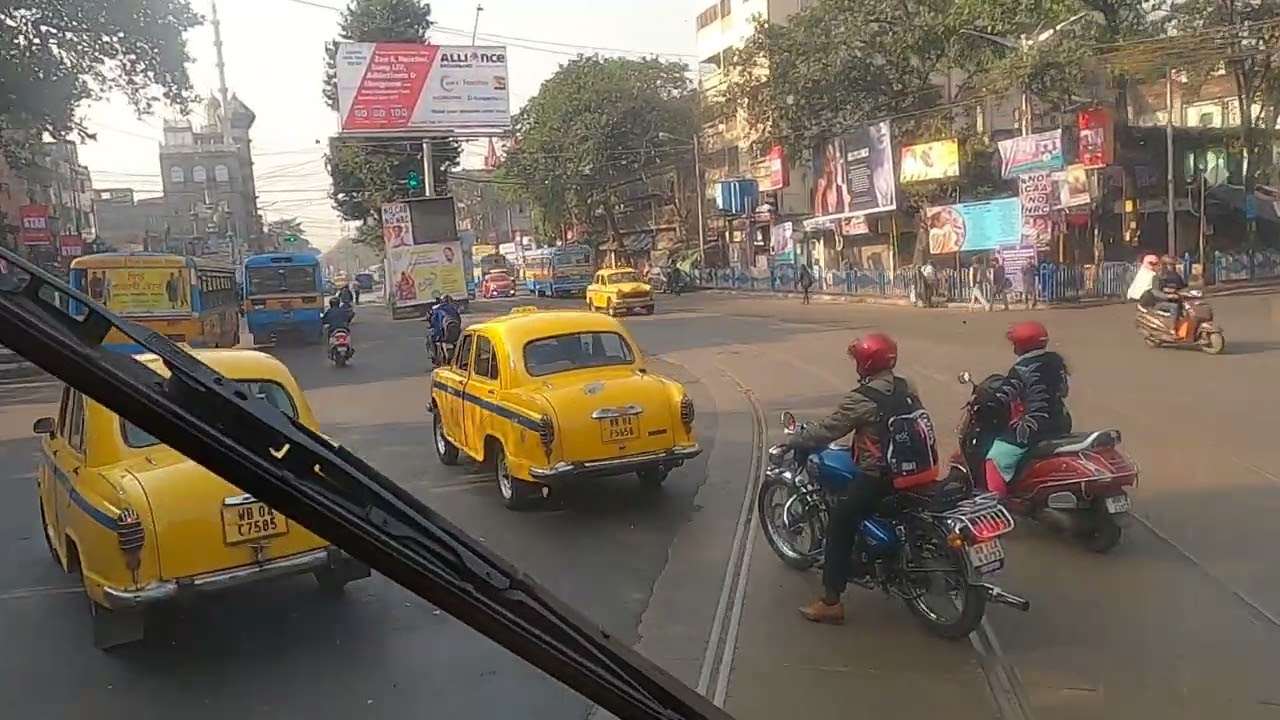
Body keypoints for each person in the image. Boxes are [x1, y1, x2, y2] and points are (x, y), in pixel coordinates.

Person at [786, 333, 936, 625]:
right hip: (919, 471)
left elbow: (829, 429)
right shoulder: (907, 387)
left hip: (881, 478)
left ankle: (830, 601)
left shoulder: (862, 399)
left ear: (866, 363)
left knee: (840, 520)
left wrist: (796, 440)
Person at [983, 321, 1071, 498]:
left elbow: (1003, 396)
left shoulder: (1022, 369)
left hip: (1034, 426)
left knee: (994, 460)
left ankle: (997, 504)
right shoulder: (1057, 362)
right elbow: (1064, 390)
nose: (1014, 347)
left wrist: (988, 400)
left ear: (1023, 345)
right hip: (1061, 420)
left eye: (1015, 343)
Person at [429, 294, 463, 363]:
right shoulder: (454, 308)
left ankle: (435, 357)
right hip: (456, 331)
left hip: (441, 332)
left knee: (432, 339)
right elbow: (459, 320)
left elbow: (433, 322)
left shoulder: (437, 309)